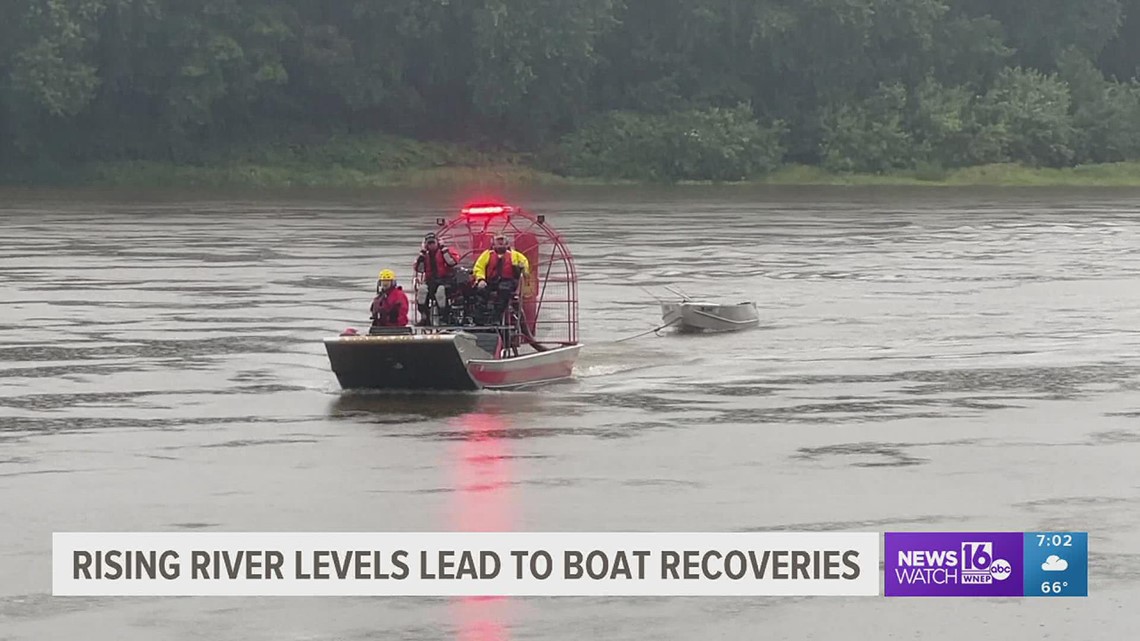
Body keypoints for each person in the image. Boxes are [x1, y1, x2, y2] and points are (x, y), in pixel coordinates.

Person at [472, 234, 530, 325]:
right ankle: (479, 319)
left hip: (508, 281)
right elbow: (479, 268)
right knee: (480, 291)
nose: (500, 242)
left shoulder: (515, 255)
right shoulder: (487, 254)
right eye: (498, 240)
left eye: (502, 240)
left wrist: (522, 268)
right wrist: (481, 279)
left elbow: (525, 266)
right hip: (490, 281)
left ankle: (496, 318)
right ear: (493, 243)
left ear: (507, 244)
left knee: (503, 291)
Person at [413, 232, 461, 326]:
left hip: (446, 281)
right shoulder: (424, 255)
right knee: (422, 291)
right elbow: (419, 269)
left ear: (437, 242)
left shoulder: (445, 251)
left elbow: (452, 263)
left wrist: (444, 250)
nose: (431, 245)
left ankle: (443, 318)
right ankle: (425, 317)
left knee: (440, 292)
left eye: (433, 243)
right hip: (430, 282)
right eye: (429, 243)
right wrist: (422, 255)